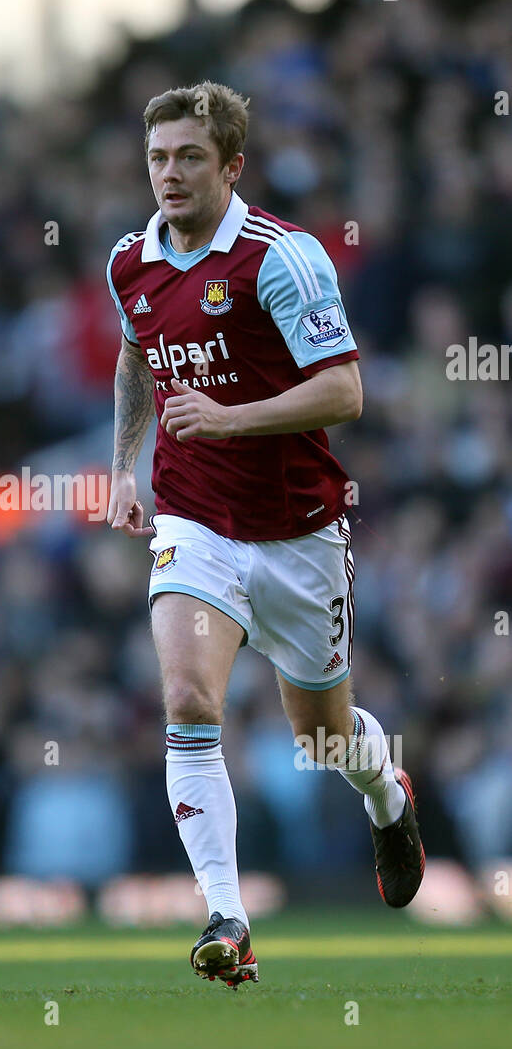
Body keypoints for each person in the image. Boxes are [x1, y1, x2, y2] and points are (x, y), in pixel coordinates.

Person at [105, 82, 424, 988]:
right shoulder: (131, 260)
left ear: (232, 165)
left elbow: (346, 392)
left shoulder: (281, 259)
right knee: (187, 698)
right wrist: (126, 466)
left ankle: (388, 794)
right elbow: (136, 351)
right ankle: (228, 917)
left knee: (320, 734)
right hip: (194, 517)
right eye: (158, 157)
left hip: (298, 531)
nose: (169, 173)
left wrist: (231, 416)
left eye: (190, 157)